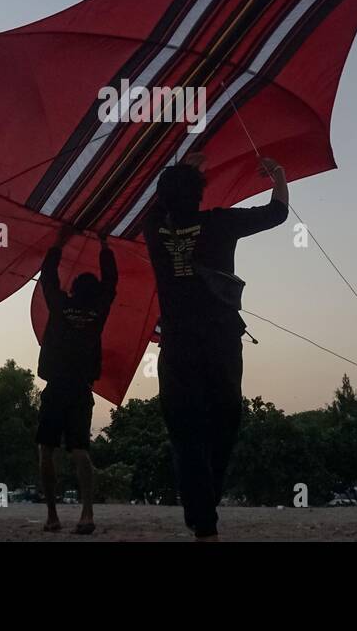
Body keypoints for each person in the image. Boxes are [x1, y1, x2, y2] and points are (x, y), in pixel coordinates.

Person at [142, 154, 288, 540]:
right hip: (221, 343)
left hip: (177, 345)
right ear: (200, 195)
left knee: (183, 430)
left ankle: (202, 516)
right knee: (225, 422)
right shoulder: (221, 223)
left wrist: (183, 170)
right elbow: (277, 214)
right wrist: (279, 176)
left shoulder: (153, 230)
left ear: (163, 197)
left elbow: (156, 205)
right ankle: (206, 508)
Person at [36, 225, 117, 534]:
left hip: (55, 387)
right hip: (81, 391)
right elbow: (112, 283)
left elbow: (48, 277)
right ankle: (87, 514)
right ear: (95, 294)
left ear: (72, 291)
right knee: (80, 450)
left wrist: (58, 242)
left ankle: (52, 516)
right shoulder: (99, 312)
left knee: (46, 449)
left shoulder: (61, 306)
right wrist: (105, 245)